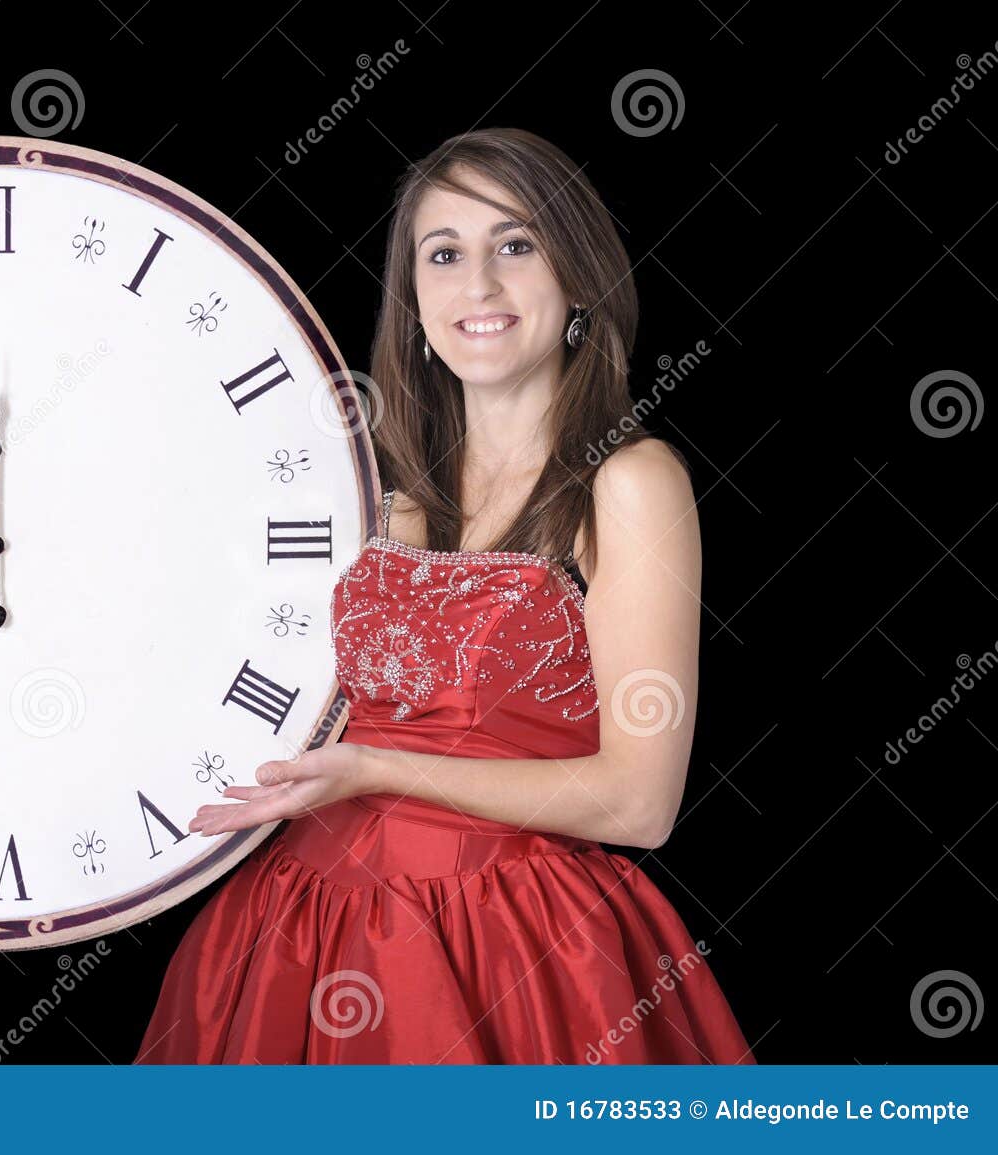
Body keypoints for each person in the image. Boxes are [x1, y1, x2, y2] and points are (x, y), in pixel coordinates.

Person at [136, 128, 754, 1064]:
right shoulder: (382, 492)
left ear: (579, 277)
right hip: (300, 926)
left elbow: (640, 805)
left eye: (515, 245)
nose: (480, 286)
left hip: (510, 947)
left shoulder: (628, 481)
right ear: (414, 300)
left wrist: (380, 771)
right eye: (444, 254)